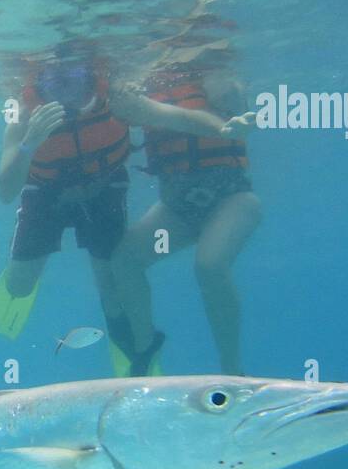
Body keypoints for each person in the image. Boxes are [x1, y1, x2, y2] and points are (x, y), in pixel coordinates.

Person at [0, 41, 250, 374]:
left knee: (110, 283)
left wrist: (222, 128)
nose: (68, 95)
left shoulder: (119, 102)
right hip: (45, 195)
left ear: (94, 78)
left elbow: (179, 117)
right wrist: (30, 143)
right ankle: (20, 273)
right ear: (40, 85)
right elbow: (6, 192)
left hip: (102, 191)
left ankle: (136, 347)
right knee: (18, 287)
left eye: (77, 80)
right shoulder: (24, 117)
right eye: (55, 84)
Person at [111, 42, 259, 375]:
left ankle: (232, 369)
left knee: (210, 265)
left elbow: (224, 110)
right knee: (124, 260)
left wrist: (231, 95)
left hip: (232, 198)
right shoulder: (139, 81)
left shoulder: (211, 72)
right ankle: (145, 344)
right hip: (176, 208)